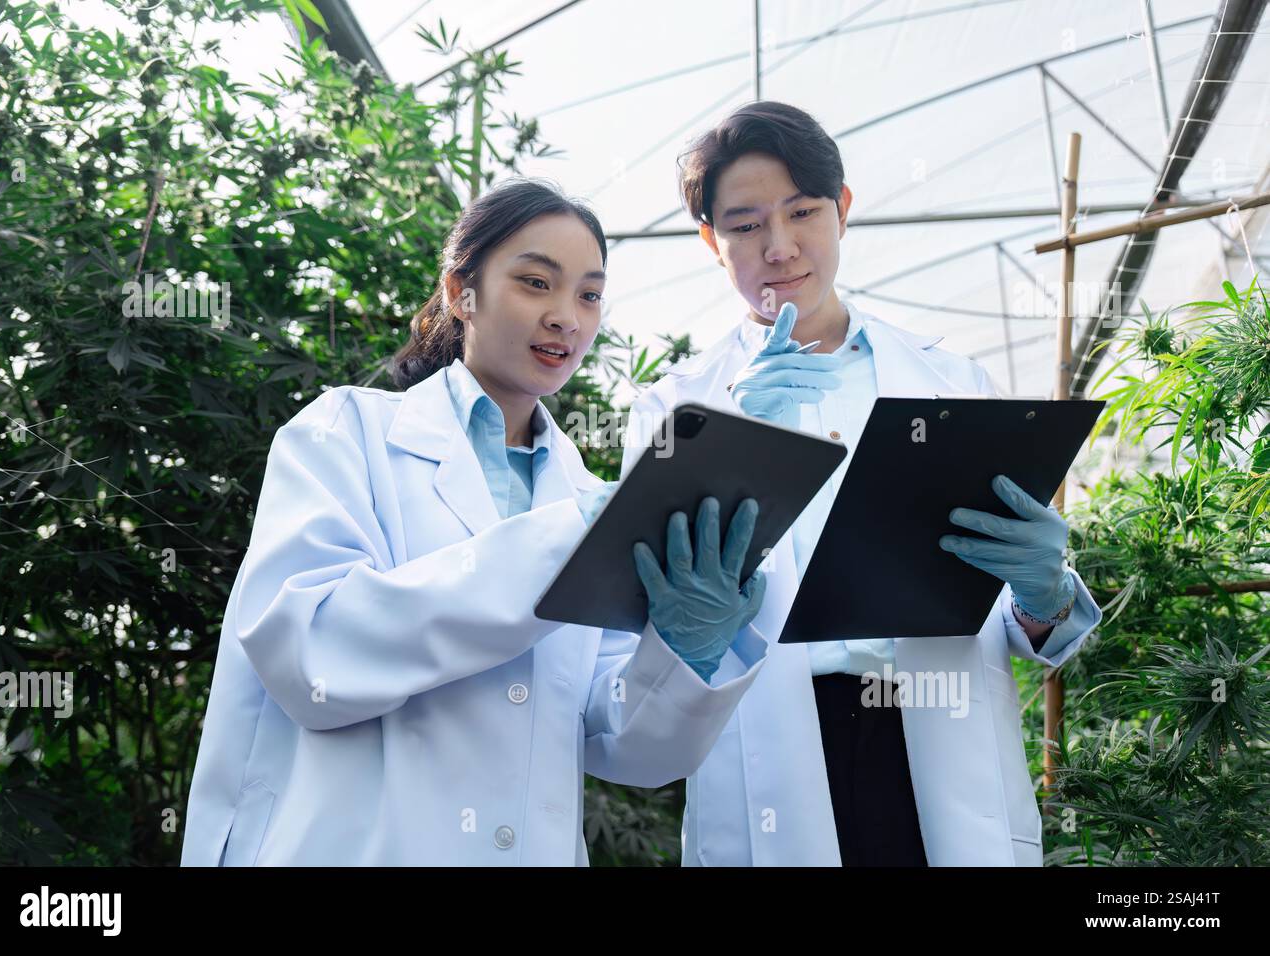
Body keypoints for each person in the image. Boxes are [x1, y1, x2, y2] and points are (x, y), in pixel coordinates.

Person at [180, 178, 770, 866]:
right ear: (463, 292)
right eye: (534, 283)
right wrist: (559, 544)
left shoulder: (581, 493)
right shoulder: (346, 435)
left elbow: (625, 748)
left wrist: (684, 649)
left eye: (587, 294)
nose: (565, 317)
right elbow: (314, 657)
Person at [620, 102, 1103, 866]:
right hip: (778, 745)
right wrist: (730, 448)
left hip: (936, 728)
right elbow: (651, 640)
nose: (780, 247)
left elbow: (1016, 618)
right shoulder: (674, 411)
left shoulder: (953, 381)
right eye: (744, 226)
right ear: (711, 241)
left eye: (803, 212)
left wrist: (1044, 594)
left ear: (842, 210)